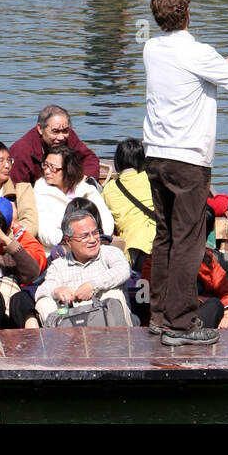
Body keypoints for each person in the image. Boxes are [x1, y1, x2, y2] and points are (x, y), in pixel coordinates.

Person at [143, 0, 228, 346]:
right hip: (187, 163)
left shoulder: (151, 48)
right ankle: (181, 325)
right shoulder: (197, 52)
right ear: (187, 14)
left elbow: (193, 71)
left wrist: (227, 61)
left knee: (166, 236)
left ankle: (158, 316)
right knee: (188, 242)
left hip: (156, 156)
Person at [34, 204, 132, 326]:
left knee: (112, 295)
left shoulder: (110, 252)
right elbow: (41, 290)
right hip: (74, 327)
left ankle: (116, 343)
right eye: (85, 236)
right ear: (69, 241)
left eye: (95, 233)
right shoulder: (59, 265)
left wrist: (93, 285)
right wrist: (57, 291)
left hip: (109, 325)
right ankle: (61, 342)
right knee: (44, 302)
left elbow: (123, 270)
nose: (92, 239)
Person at [33, 145, 114, 248]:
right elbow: (45, 230)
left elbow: (106, 220)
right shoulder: (40, 191)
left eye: (53, 167)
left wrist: (95, 238)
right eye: (45, 165)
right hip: (61, 250)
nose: (47, 171)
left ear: (68, 169)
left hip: (94, 244)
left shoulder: (87, 189)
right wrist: (74, 242)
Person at [9, 104, 100, 185]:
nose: (61, 137)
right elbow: (18, 189)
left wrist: (85, 179)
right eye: (55, 132)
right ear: (40, 128)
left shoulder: (68, 136)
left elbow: (89, 158)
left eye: (65, 131)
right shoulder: (21, 151)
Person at [102, 138, 156, 269]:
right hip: (159, 242)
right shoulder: (153, 179)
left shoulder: (109, 189)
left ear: (118, 161)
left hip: (132, 250)